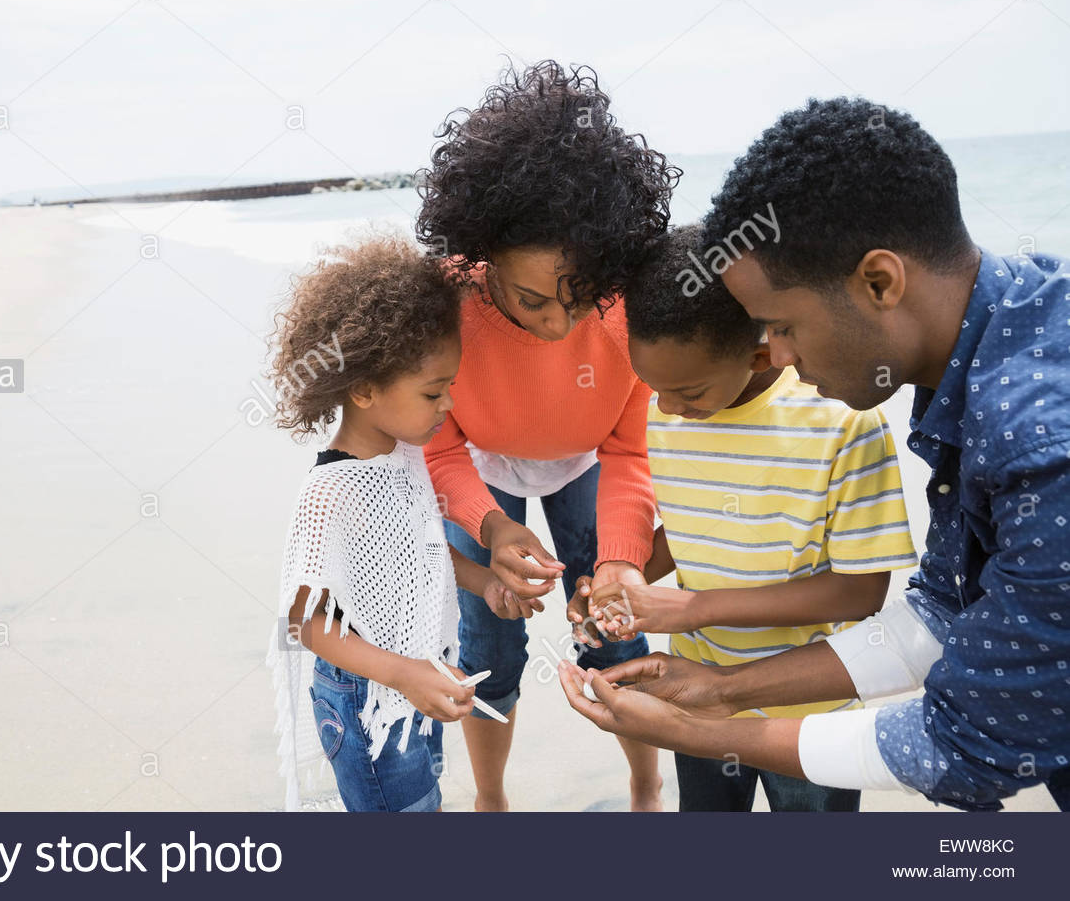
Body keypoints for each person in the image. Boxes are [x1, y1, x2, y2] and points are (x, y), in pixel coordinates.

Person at [560, 97, 1070, 811]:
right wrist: (721, 689)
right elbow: (947, 611)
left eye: (782, 325)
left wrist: (697, 729)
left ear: (880, 282)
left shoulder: (1041, 450)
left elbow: (966, 749)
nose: (778, 355)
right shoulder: (1010, 325)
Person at [568, 223, 918, 811]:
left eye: (689, 392)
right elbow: (692, 527)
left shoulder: (844, 419)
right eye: (655, 388)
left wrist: (697, 607)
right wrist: (624, 582)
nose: (670, 407)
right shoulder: (668, 407)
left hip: (810, 713)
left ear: (760, 352)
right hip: (689, 691)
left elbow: (860, 593)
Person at [416, 60, 679, 811]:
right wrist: (490, 526)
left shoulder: (627, 307)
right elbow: (435, 444)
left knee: (616, 632)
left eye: (579, 298)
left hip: (588, 464)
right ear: (483, 251)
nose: (559, 325)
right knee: (489, 643)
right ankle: (491, 800)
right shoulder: (448, 302)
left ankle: (645, 781)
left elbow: (631, 451)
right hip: (478, 467)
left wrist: (625, 562)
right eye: (531, 299)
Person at [266, 233, 543, 812]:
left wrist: (486, 583)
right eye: (432, 392)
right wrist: (402, 674)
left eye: (450, 389)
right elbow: (306, 620)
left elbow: (423, 552)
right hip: (366, 698)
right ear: (364, 389)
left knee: (424, 805)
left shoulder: (406, 456)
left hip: (414, 678)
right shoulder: (331, 489)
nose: (448, 406)